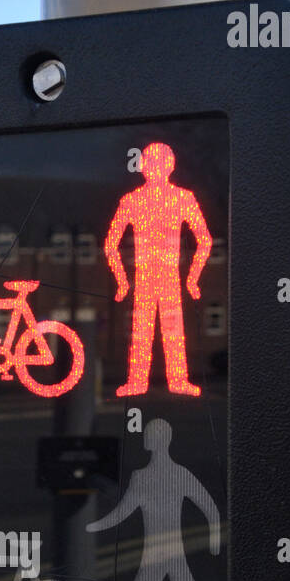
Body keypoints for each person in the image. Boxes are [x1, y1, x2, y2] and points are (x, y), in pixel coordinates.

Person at [87, 418, 224, 581]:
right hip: (162, 551)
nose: (146, 437)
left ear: (162, 440)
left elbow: (209, 507)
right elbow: (123, 512)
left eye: (150, 434)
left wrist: (214, 540)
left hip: (166, 552)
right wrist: (96, 526)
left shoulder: (170, 475)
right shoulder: (147, 476)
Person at [104, 142, 212, 397]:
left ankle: (172, 380)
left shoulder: (182, 198)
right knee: (145, 331)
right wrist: (122, 280)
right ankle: (142, 382)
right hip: (148, 274)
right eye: (150, 163)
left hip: (167, 274)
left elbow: (204, 240)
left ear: (170, 166)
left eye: (158, 163)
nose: (154, 169)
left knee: (169, 329)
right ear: (143, 168)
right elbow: (110, 244)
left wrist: (192, 278)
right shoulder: (133, 200)